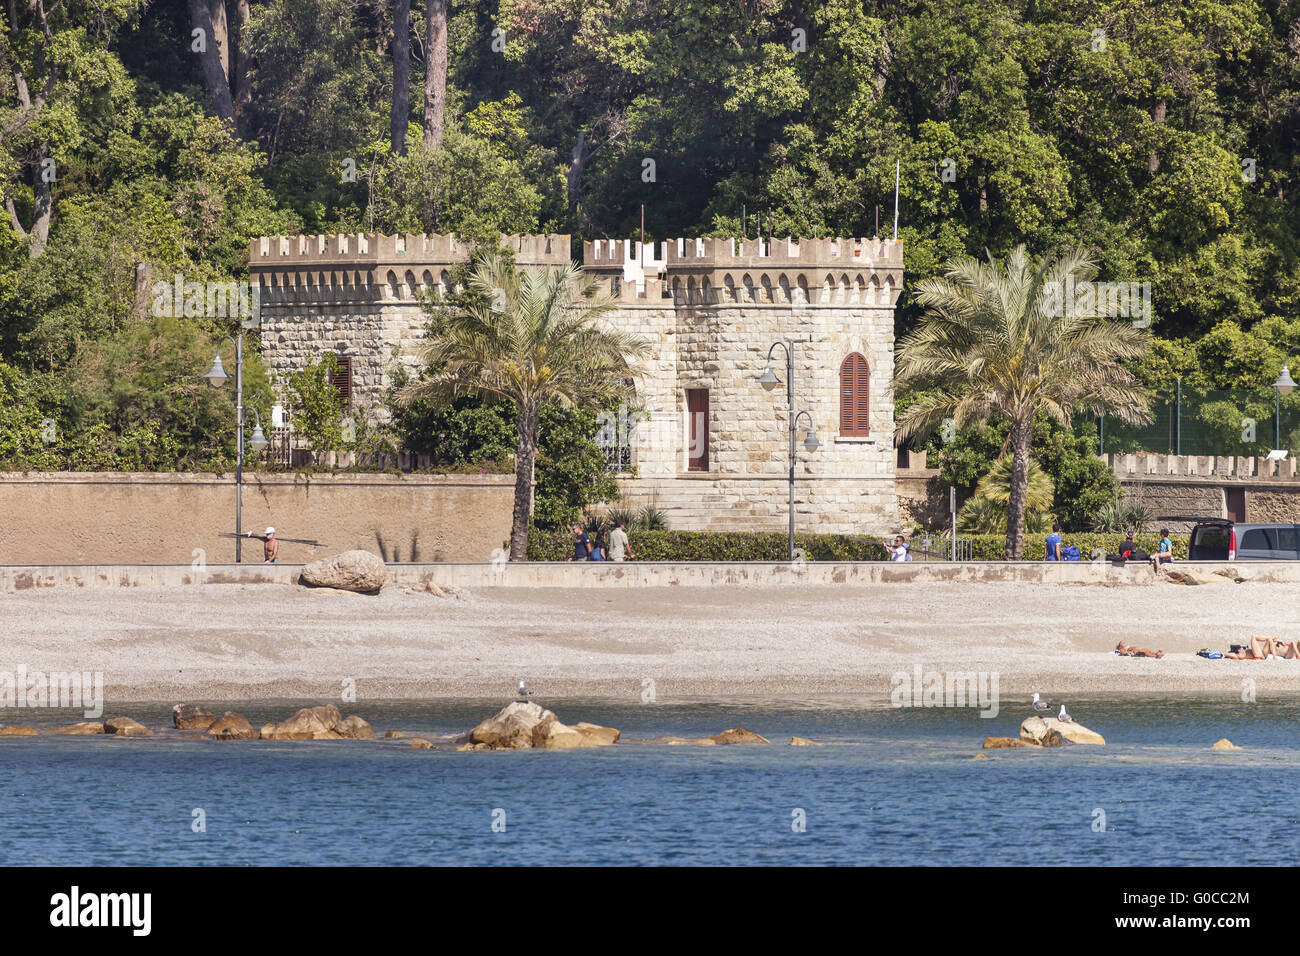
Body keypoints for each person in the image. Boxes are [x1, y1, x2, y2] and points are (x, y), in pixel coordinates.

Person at [1224, 636, 1300, 660]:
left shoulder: (1242, 654)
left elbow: (1229, 655)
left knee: (1269, 640)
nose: (1241, 648)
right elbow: (1228, 655)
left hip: (1261, 654)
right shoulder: (1241, 655)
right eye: (1239, 648)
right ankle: (1299, 656)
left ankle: (1298, 656)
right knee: (1254, 637)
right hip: (1260, 655)